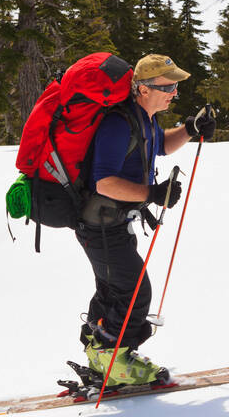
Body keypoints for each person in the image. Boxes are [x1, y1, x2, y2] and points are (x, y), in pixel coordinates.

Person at [75, 53, 216, 385]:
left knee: (115, 289)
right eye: (167, 86)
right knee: (135, 292)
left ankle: (102, 353)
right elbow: (103, 181)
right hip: (100, 225)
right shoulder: (117, 124)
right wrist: (151, 193)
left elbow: (159, 146)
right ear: (142, 88)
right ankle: (113, 361)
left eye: (176, 87)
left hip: (114, 224)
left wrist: (190, 130)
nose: (174, 93)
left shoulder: (145, 118)